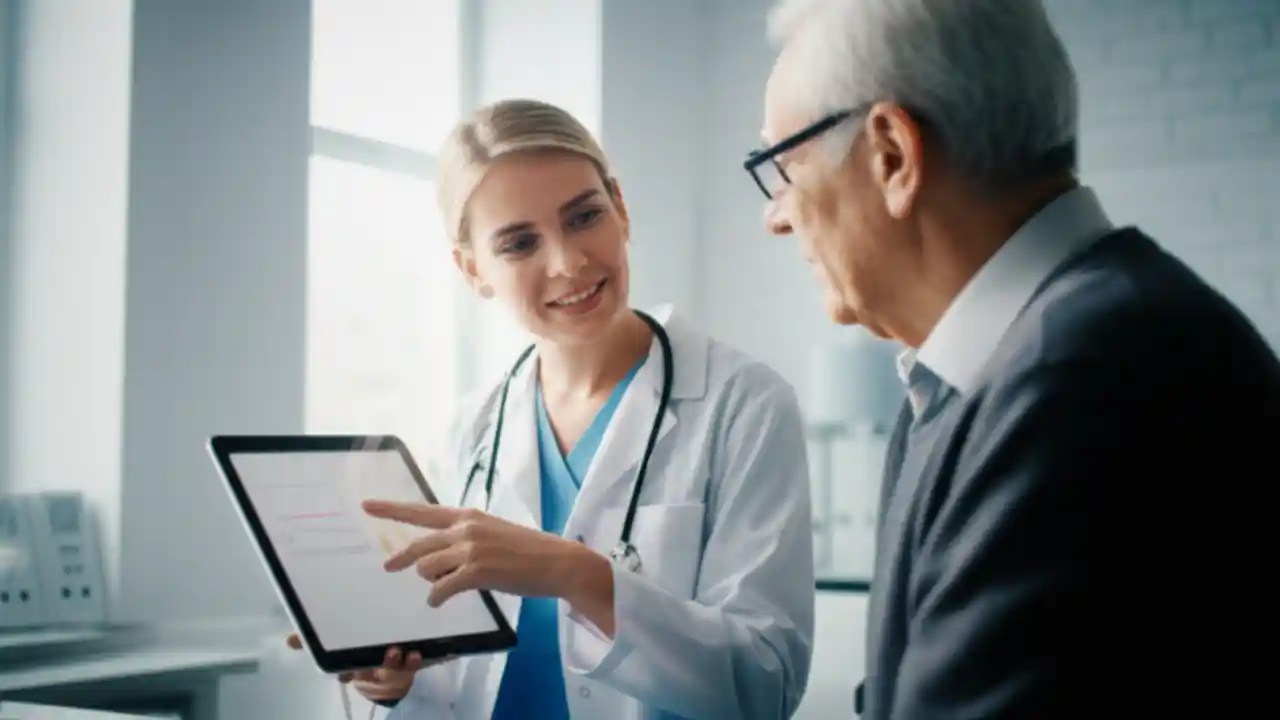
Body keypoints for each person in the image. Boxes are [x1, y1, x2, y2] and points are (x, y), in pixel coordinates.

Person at [750, 0, 1280, 717]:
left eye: (784, 166)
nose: (776, 215)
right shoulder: (971, 383)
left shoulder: (1084, 380)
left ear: (892, 156)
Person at [299, 98, 815, 719]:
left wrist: (573, 573)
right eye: (519, 244)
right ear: (472, 270)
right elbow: (461, 678)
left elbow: (765, 685)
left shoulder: (744, 406)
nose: (568, 262)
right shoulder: (475, 426)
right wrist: (396, 681)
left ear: (621, 209)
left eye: (584, 216)